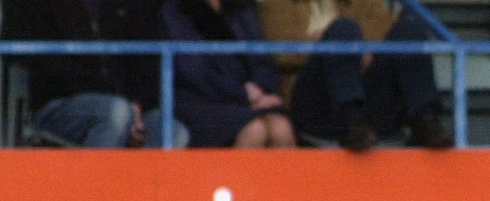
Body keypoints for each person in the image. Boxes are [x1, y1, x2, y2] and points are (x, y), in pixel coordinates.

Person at [0, 0, 191, 148]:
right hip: (59, 104)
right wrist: (123, 104)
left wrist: (138, 104)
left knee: (173, 132)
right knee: (116, 112)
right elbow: (16, 52)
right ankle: (96, 189)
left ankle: (139, 190)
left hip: (126, 105)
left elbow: (146, 60)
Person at [288, 0, 453, 151]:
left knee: (409, 29)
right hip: (315, 102)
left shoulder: (365, 3)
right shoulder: (280, 3)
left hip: (366, 94)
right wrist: (325, 46)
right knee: (342, 29)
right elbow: (281, 51)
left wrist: (353, 46)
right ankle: (350, 121)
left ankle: (426, 120)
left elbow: (383, 30)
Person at [161, 0, 297, 148]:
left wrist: (260, 89)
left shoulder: (241, 8)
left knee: (281, 128)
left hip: (248, 97)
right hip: (200, 100)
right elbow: (193, 71)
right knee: (254, 130)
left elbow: (263, 60)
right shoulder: (173, 11)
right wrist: (244, 94)